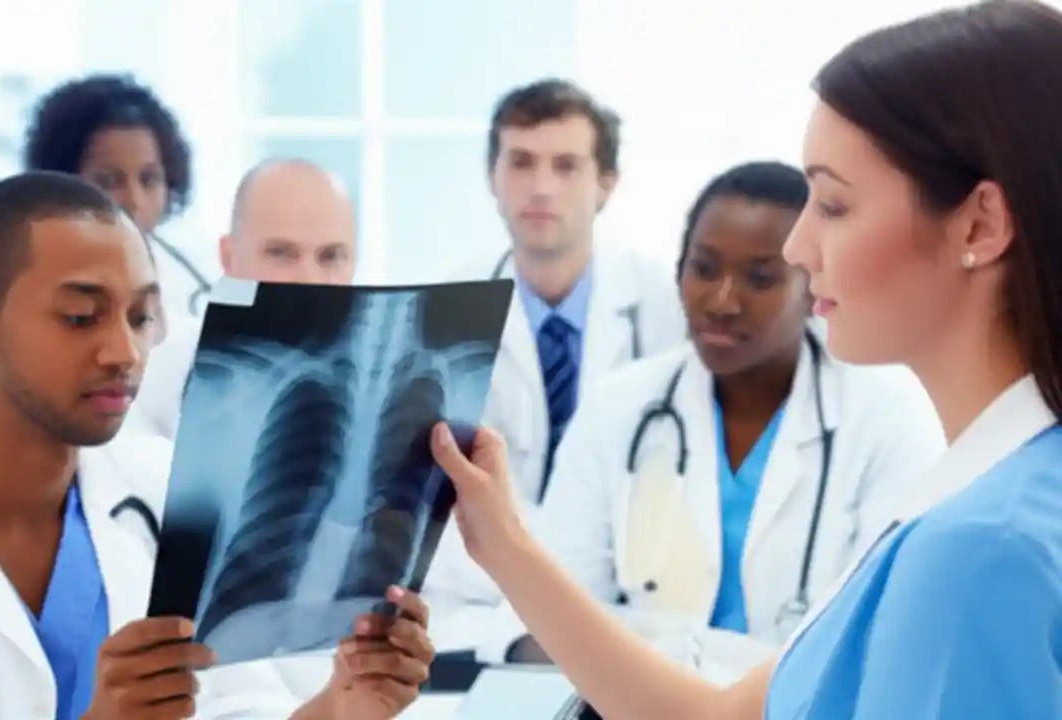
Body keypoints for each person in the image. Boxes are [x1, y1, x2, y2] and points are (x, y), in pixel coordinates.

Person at [428, 2, 1062, 718]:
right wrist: (504, 544)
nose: (797, 248)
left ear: (979, 224)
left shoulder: (977, 554)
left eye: (833, 204)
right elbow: (721, 715)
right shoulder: (1001, 494)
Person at [0, 171, 434, 719]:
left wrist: (344, 706)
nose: (124, 351)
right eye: (80, 316)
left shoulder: (177, 496)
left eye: (140, 316)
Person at [476, 161, 946, 681]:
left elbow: (880, 634)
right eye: (703, 269)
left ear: (814, 286)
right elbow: (541, 609)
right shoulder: (622, 408)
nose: (721, 301)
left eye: (760, 278)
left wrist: (653, 650)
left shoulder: (886, 416)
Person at [425, 78, 686, 652]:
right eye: (520, 162)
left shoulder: (667, 304)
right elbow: (427, 493)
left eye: (566, 166)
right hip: (477, 610)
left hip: (625, 607)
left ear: (606, 185)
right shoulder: (444, 309)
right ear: (492, 177)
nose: (540, 187)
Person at [129, 158, 357, 440]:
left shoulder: (396, 380)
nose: (309, 279)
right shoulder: (157, 373)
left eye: (331, 256)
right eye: (280, 253)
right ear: (228, 258)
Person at [24, 73, 213, 320]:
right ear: (60, 183)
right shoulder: (23, 291)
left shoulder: (202, 284)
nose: (134, 200)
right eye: (110, 181)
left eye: (149, 179)